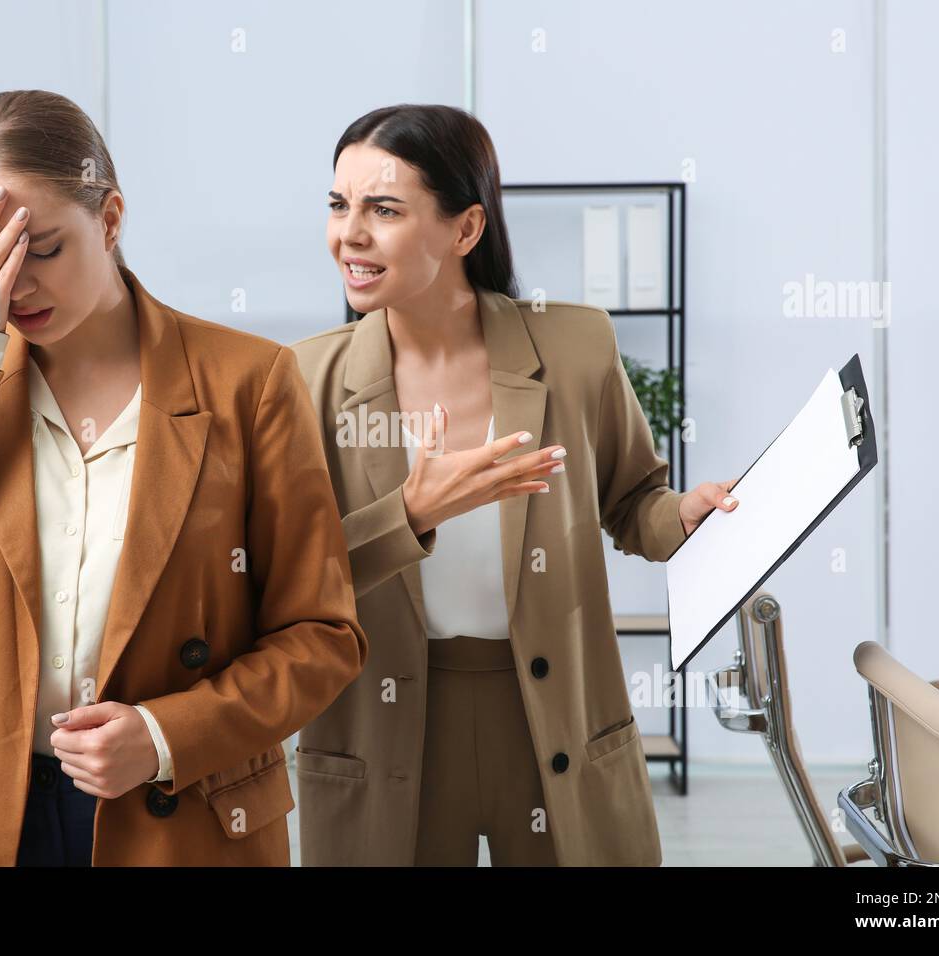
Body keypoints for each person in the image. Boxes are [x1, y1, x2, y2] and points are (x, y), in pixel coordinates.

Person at [0, 89, 366, 866]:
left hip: (172, 812)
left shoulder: (249, 381)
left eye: (39, 248)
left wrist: (162, 737)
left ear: (111, 219)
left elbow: (321, 636)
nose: (10, 286)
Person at [290, 104, 738, 866]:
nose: (350, 234)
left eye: (383, 209)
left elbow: (634, 505)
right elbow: (288, 577)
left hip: (545, 710)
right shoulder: (306, 377)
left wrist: (684, 517)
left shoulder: (573, 345)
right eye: (339, 205)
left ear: (465, 230)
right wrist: (411, 513)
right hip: (391, 716)